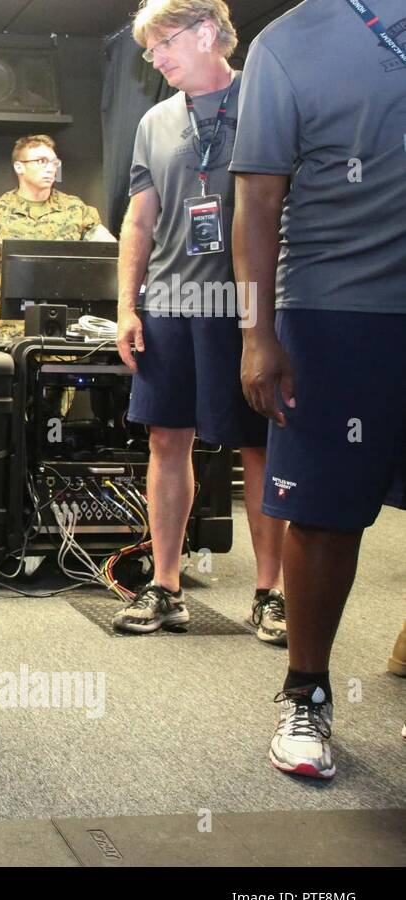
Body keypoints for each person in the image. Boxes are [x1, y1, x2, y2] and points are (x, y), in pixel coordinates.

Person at [230, 0, 406, 778]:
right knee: (325, 516)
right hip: (337, 310)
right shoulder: (287, 43)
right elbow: (255, 205)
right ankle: (306, 691)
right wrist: (254, 332)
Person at [113, 0, 287, 643]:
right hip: (169, 306)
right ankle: (165, 587)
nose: (155, 58)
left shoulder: (268, 103)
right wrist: (127, 307)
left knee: (259, 446)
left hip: (244, 308)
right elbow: (139, 220)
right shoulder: (155, 122)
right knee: (166, 441)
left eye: (163, 42)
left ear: (208, 31)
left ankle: (271, 592)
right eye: (149, 49)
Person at [0, 134, 115, 338]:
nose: (50, 168)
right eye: (41, 161)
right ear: (19, 167)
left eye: (54, 162)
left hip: (64, 329)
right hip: (6, 331)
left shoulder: (76, 210)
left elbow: (112, 254)